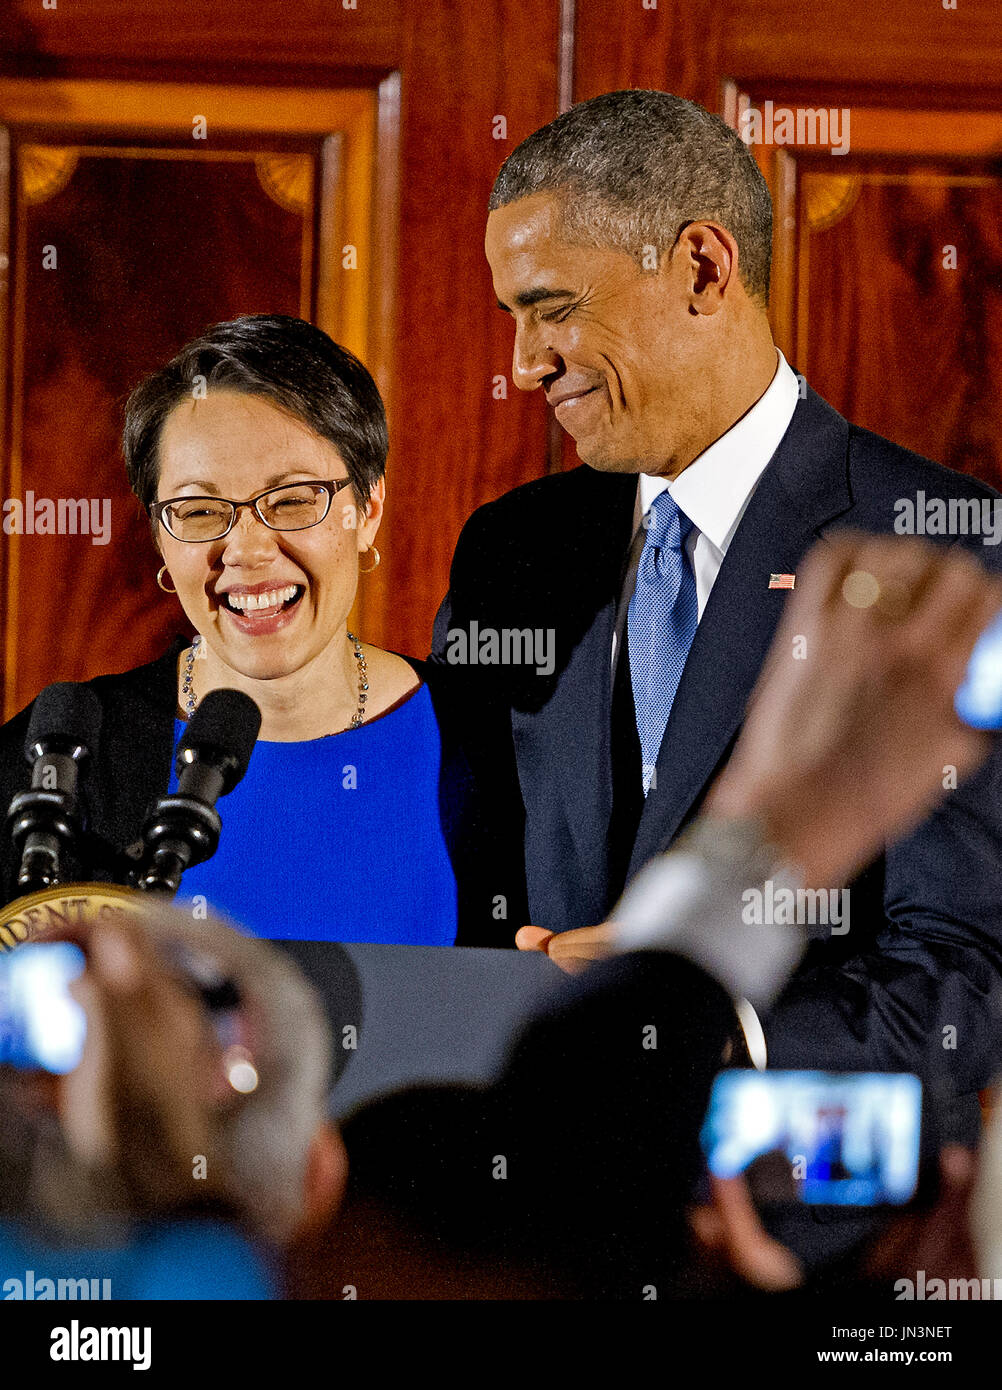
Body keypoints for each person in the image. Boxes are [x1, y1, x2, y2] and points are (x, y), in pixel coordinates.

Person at [431, 89, 1002, 1120]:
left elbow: (966, 971)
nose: (522, 366)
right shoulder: (513, 553)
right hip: (542, 1204)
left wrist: (698, 1036)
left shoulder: (950, 553)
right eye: (512, 318)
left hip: (795, 1224)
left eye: (552, 307)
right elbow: (480, 886)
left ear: (703, 266)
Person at [0, 314, 493, 945]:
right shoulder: (64, 756)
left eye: (291, 500)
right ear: (158, 536)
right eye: (199, 511)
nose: (247, 550)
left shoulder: (493, 746)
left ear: (367, 511)